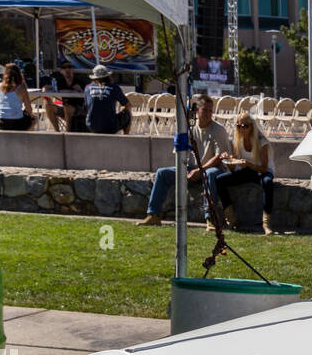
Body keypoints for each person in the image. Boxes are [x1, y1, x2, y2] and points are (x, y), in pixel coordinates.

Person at [137, 94, 232, 228]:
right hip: (191, 168)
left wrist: (199, 171)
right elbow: (180, 150)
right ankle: (153, 215)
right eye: (205, 110)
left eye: (211, 110)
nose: (208, 114)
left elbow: (219, 158)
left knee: (210, 174)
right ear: (197, 110)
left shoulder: (219, 130)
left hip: (211, 169)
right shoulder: (190, 126)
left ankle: (210, 218)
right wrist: (185, 168)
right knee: (162, 173)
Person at [205, 110, 276, 235]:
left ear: (251, 127)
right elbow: (233, 168)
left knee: (268, 182)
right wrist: (228, 160)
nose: (242, 129)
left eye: (245, 126)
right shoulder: (237, 141)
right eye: (239, 126)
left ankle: (266, 224)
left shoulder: (261, 141)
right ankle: (231, 219)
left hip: (262, 171)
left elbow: (264, 168)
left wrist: (248, 164)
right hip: (247, 171)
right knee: (220, 180)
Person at [84, 65, 131, 135]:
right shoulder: (114, 87)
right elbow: (128, 105)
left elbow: (87, 107)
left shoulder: (87, 88)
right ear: (108, 76)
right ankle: (125, 139)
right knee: (127, 113)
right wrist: (122, 110)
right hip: (110, 127)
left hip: (91, 126)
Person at [43, 62, 84, 132]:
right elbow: (46, 88)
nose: (67, 69)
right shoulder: (60, 82)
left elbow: (88, 96)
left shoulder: (79, 81)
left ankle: (67, 133)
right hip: (65, 108)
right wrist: (45, 92)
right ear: (61, 71)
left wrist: (80, 90)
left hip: (79, 109)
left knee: (67, 107)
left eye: (69, 67)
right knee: (48, 106)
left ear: (73, 69)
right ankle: (57, 133)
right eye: (64, 68)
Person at [0, 63, 34, 131]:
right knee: (34, 119)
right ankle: (25, 139)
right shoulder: (21, 87)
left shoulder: (0, 86)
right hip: (17, 122)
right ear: (19, 74)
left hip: (2, 121)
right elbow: (29, 109)